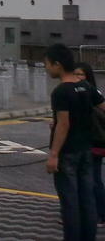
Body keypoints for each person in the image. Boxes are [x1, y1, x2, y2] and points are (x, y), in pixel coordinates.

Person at [46, 44, 105, 241]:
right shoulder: (86, 87)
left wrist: (53, 154)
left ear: (58, 64)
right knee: (87, 198)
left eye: (48, 64)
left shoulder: (61, 91)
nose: (46, 69)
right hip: (87, 150)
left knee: (70, 202)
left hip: (68, 153)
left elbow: (63, 125)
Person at [74, 62, 105, 227]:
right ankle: (80, 213)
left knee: (94, 179)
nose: (78, 78)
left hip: (95, 142)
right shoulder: (74, 93)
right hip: (80, 143)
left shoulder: (94, 94)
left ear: (88, 76)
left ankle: (101, 213)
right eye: (75, 74)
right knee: (80, 180)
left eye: (81, 74)